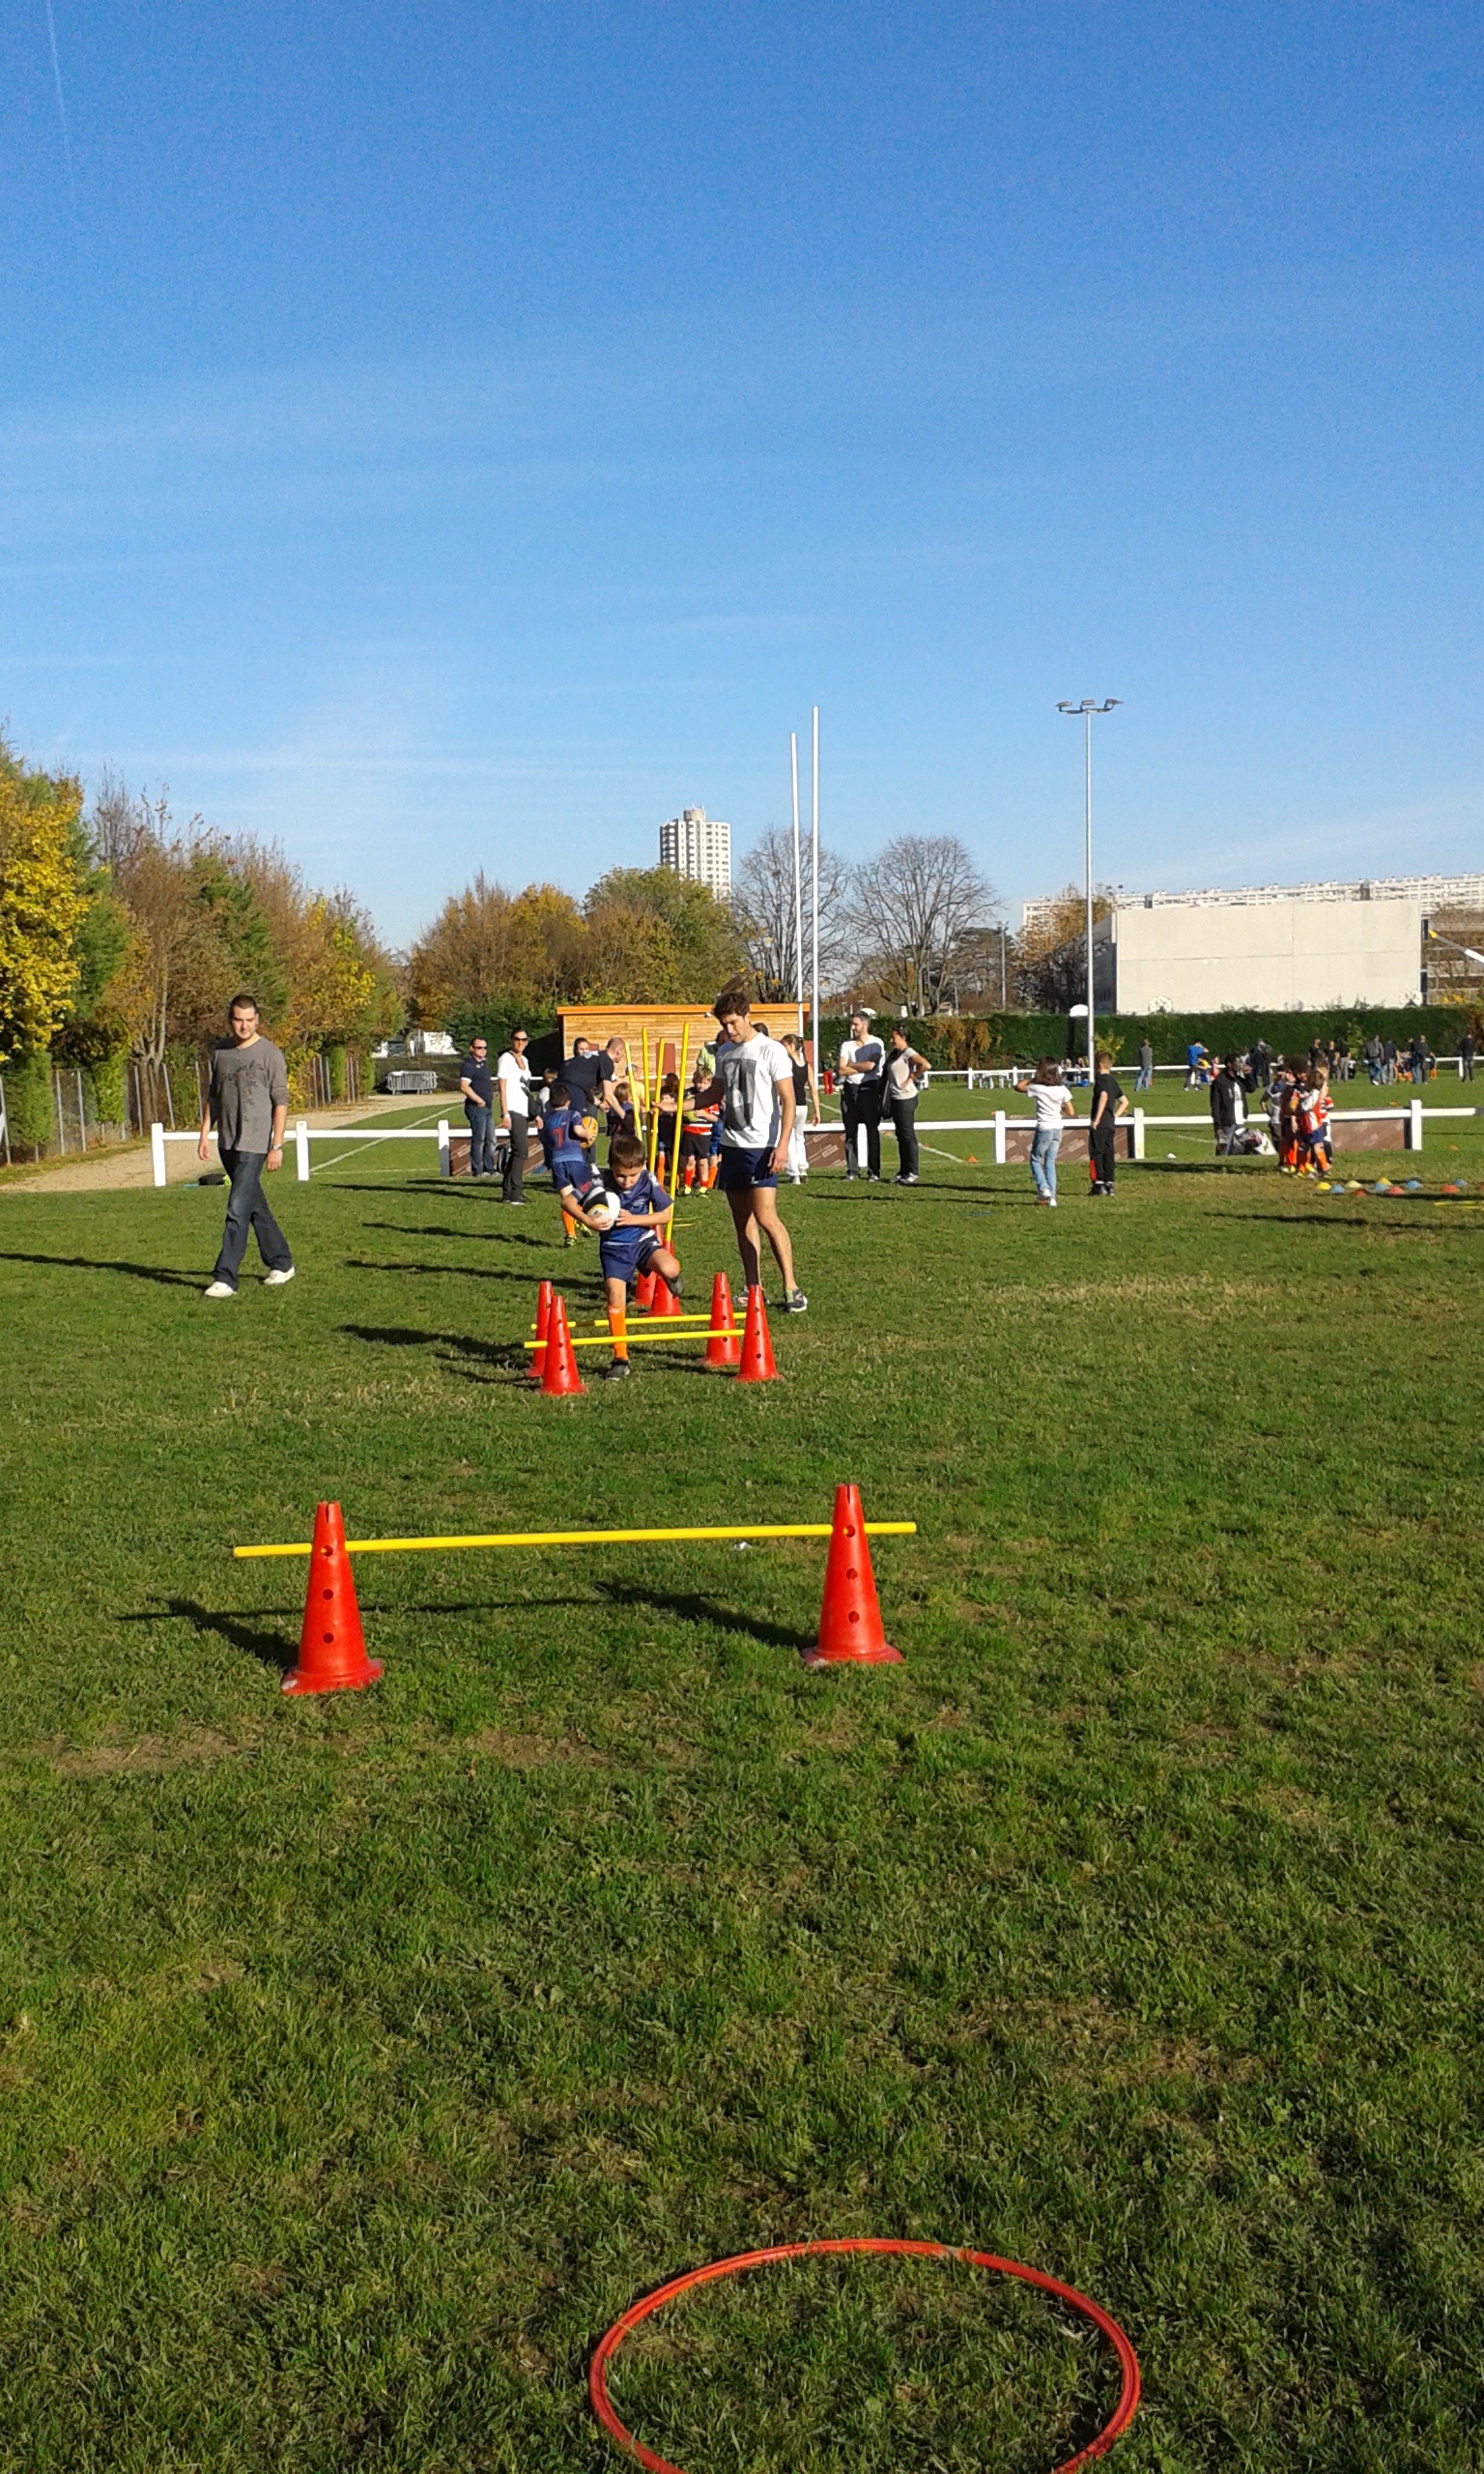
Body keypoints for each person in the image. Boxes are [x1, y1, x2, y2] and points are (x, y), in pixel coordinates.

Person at [696, 988, 806, 1309]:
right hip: (732, 1146)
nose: (728, 1029)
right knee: (742, 1221)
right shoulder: (724, 1053)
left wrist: (782, 1146)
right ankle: (753, 1287)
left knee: (766, 1217)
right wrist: (675, 1106)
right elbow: (712, 1095)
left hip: (761, 1147)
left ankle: (791, 1287)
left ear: (747, 1015)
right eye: (723, 1024)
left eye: (733, 1022)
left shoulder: (771, 1050)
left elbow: (788, 1100)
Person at [563, 1130, 682, 1382]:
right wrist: (588, 1221)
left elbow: (666, 1214)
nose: (627, 1181)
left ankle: (671, 1277)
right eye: (620, 1175)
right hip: (614, 1250)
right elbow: (568, 1202)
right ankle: (620, 1358)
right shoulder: (598, 1180)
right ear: (611, 1166)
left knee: (670, 1268)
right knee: (615, 1296)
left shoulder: (648, 1180)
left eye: (632, 1176)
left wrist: (634, 1219)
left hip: (642, 1241)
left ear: (643, 1166)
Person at [197, 992, 296, 1297]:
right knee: (254, 1207)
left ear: (257, 1020)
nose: (244, 1026)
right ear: (231, 1021)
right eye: (238, 1020)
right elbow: (213, 1096)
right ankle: (282, 1262)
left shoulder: (270, 1054)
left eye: (249, 1020)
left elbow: (281, 1102)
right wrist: (204, 1133)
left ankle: (225, 1277)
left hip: (255, 1144)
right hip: (227, 1142)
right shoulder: (221, 1052)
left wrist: (276, 1145)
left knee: (237, 1209)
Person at [1015, 1058, 1074, 1207]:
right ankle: (1052, 1198)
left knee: (1035, 1159)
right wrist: (1059, 1107)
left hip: (1044, 1128)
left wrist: (1032, 1078)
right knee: (1050, 1162)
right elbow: (1071, 1112)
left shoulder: (1037, 1088)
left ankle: (1043, 1188)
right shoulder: (1062, 1089)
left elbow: (1018, 1087)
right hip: (1057, 1128)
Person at [838, 1008, 886, 1180]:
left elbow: (871, 1066)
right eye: (852, 1024)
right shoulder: (847, 1045)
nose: (853, 1028)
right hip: (850, 1089)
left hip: (869, 1088)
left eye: (856, 1024)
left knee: (872, 1130)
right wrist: (860, 1066)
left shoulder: (877, 1043)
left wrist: (852, 1064)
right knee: (850, 1132)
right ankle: (852, 1170)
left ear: (865, 1025)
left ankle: (874, 1171)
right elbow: (841, 1069)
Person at [884, 1024, 929, 1185]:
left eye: (894, 1037)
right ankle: (903, 1170)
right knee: (900, 1135)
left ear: (903, 1037)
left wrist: (912, 1077)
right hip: (896, 1098)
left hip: (906, 1098)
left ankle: (913, 1171)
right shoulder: (895, 1054)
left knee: (908, 1134)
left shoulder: (908, 1053)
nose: (891, 1040)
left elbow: (925, 1065)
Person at [550, 1111, 603, 1247]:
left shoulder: (550, 1118)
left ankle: (571, 1234)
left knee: (567, 1199)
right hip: (574, 1159)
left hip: (557, 1161)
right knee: (584, 1191)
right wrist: (588, 1134)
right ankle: (581, 1218)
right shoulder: (573, 1114)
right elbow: (578, 1131)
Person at [494, 1027, 533, 1205]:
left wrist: (534, 1113)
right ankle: (516, 1191)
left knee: (519, 1151)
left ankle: (508, 1189)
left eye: (524, 1040)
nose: (520, 1043)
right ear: (512, 1040)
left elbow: (525, 1089)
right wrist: (505, 1113)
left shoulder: (525, 1060)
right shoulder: (506, 1059)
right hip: (513, 1110)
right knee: (521, 1151)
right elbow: (502, 1088)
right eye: (517, 1039)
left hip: (523, 1110)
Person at [780, 1032, 820, 1182]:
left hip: (789, 1105)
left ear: (791, 1046)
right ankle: (803, 1168)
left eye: (784, 1046)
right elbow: (813, 1090)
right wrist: (817, 1111)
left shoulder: (787, 1063)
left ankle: (794, 1172)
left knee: (788, 1137)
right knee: (799, 1137)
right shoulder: (806, 1066)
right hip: (803, 1105)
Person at [1088, 1050, 1129, 1194]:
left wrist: (1097, 1119)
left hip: (1101, 1123)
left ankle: (1098, 1183)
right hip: (1110, 1123)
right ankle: (1109, 1183)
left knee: (1096, 1152)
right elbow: (1125, 1102)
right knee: (1108, 1153)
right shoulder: (1112, 1081)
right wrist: (1114, 1116)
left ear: (1099, 1065)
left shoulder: (1101, 1080)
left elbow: (1103, 1096)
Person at [458, 1035, 496, 1179]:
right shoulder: (469, 1065)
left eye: (485, 1048)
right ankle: (478, 1170)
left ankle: (489, 1168)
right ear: (472, 1048)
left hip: (487, 1107)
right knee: (479, 1139)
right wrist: (479, 1100)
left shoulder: (484, 1064)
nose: (482, 1050)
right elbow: (464, 1086)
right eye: (479, 1048)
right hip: (476, 1107)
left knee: (490, 1139)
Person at [560, 1037, 614, 1127]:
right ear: (575, 1050)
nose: (584, 1051)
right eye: (581, 1049)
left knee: (590, 1126)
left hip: (590, 1101)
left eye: (586, 1049)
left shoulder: (595, 1062)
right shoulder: (569, 1065)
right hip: (574, 1099)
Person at [1211, 1053, 1253, 1158]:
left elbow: (1251, 1088)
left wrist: (1248, 1075)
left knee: (1237, 1148)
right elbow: (1215, 1104)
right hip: (1227, 1121)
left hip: (1240, 1120)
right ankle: (1219, 1164)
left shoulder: (1238, 1079)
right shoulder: (1220, 1081)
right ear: (1230, 1064)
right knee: (1224, 1147)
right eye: (1238, 1062)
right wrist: (1217, 1126)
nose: (1240, 1065)